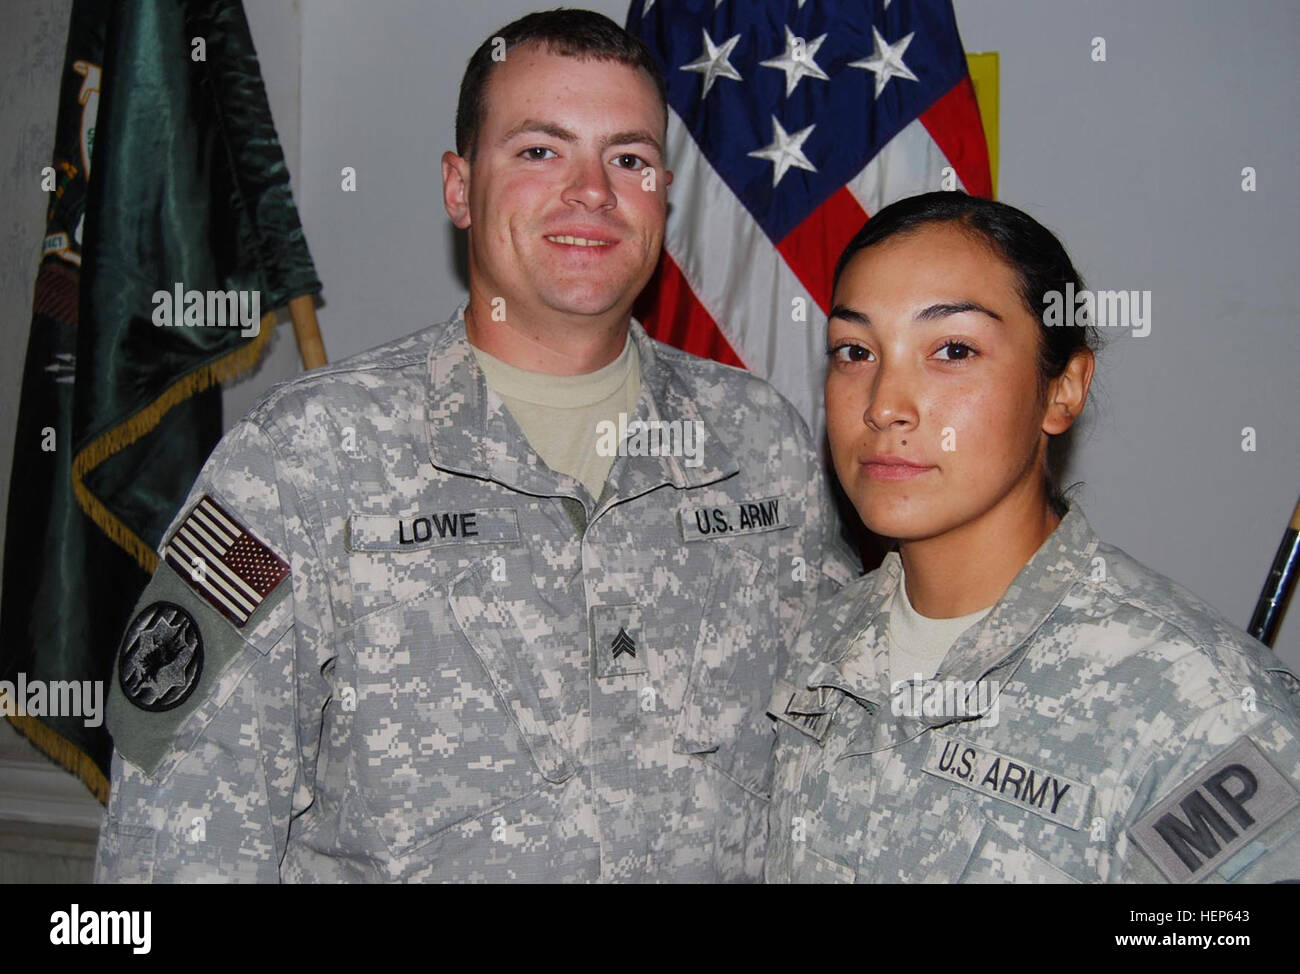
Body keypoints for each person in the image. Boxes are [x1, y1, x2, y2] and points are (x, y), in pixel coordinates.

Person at [94, 9, 858, 883]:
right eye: (540, 150)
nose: (592, 192)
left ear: (662, 197)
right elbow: (176, 834)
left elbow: (831, 752)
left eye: (629, 159)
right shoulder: (299, 459)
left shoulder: (764, 445)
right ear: (459, 188)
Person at [765, 192, 1300, 883]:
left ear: (1063, 390)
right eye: (856, 351)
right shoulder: (825, 643)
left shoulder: (1200, 701)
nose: (884, 405)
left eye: (952, 349)